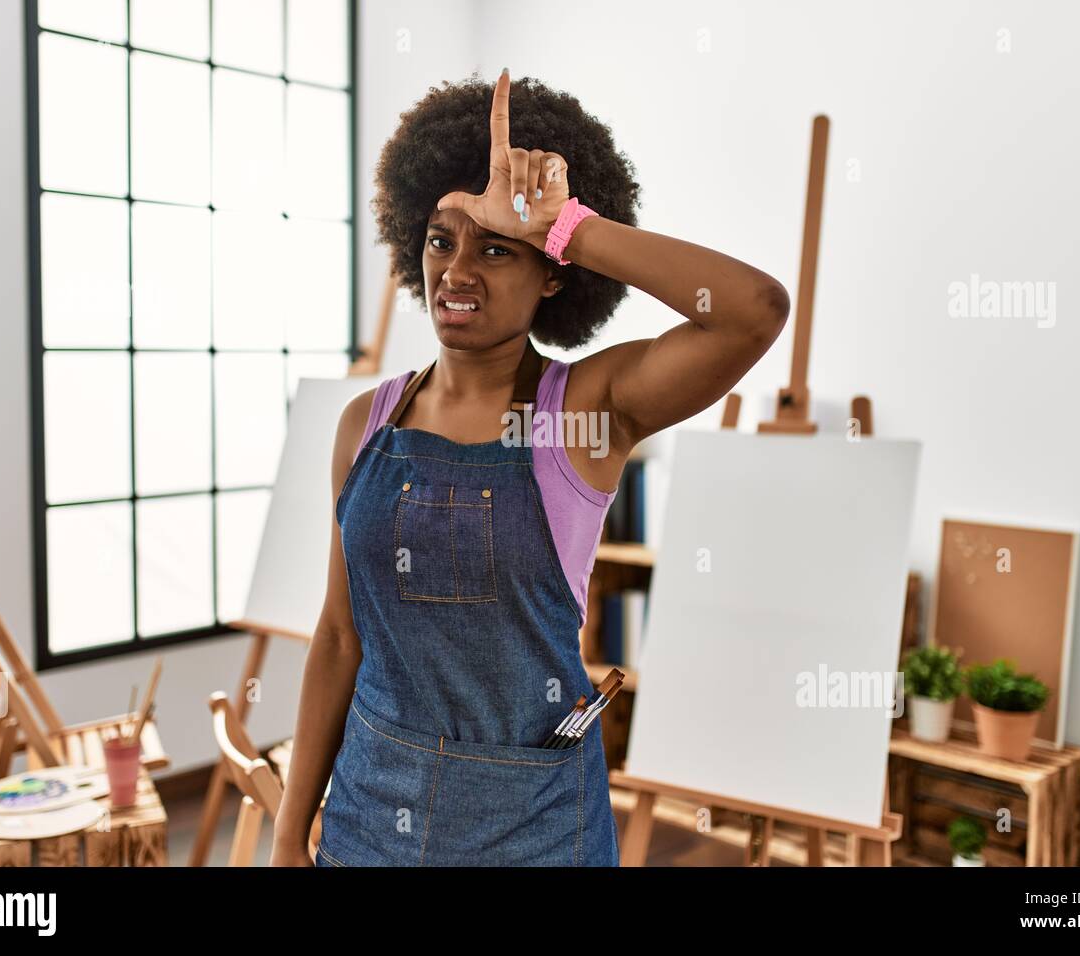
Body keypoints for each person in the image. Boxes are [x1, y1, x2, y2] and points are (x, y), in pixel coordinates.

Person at [271, 68, 789, 866]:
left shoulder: (584, 413)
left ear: (551, 273)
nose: (458, 270)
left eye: (497, 246)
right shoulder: (363, 426)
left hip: (535, 828)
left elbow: (753, 310)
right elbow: (340, 639)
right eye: (442, 239)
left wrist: (570, 225)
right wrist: (285, 834)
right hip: (373, 817)